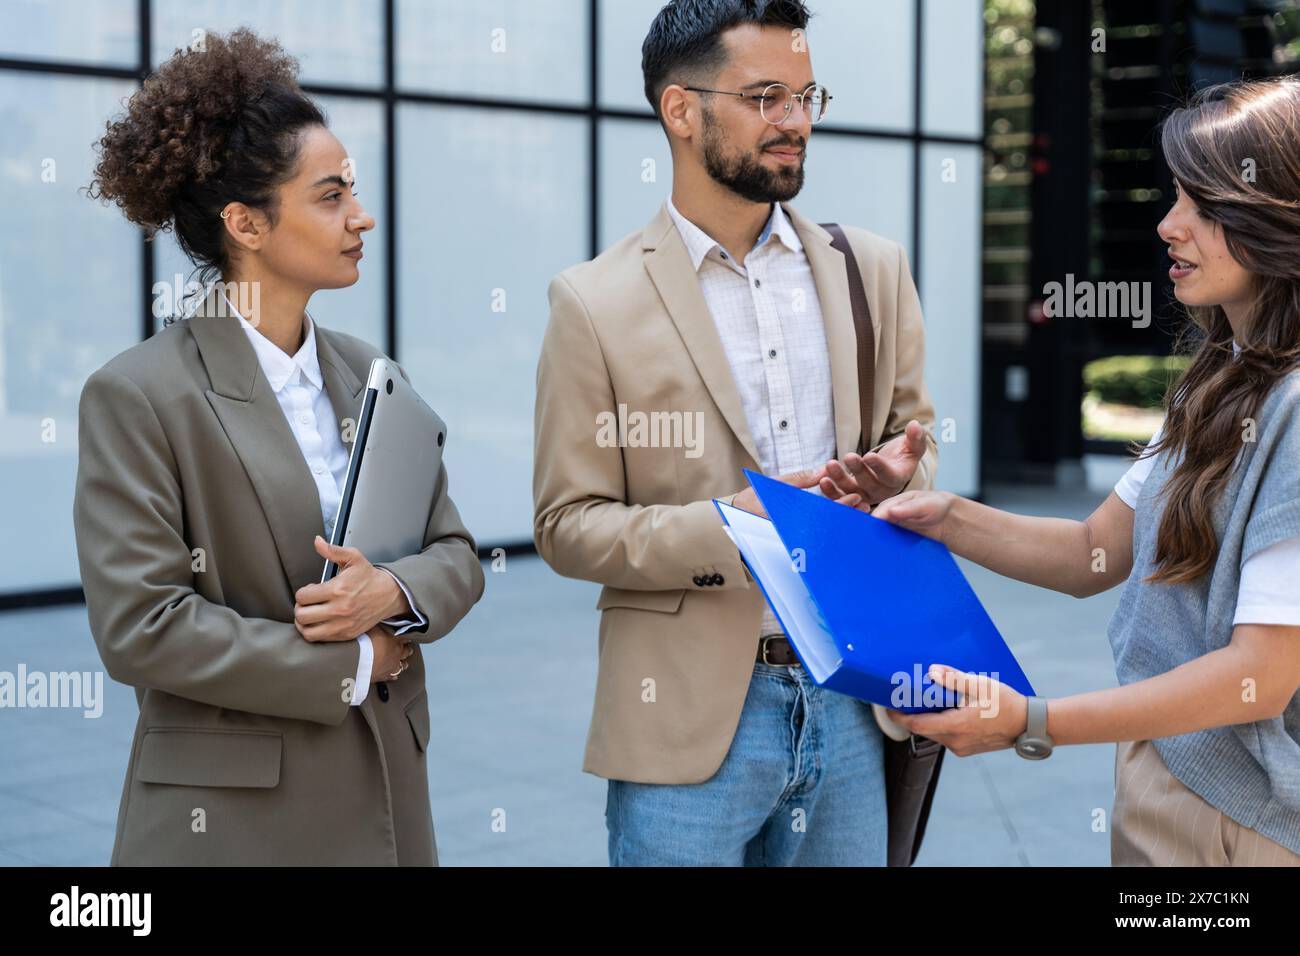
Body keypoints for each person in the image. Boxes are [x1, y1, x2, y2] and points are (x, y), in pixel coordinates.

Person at [820, 77, 1300, 866]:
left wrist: (1032, 722)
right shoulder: (1217, 377)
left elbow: (1263, 675)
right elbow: (1093, 556)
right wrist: (938, 513)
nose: (1167, 225)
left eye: (1201, 205)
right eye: (1175, 197)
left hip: (1239, 820)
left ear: (1274, 216)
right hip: (1166, 777)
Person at [532, 0, 937, 866]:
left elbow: (916, 436)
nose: (794, 123)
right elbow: (567, 525)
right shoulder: (593, 303)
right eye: (764, 98)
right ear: (682, 111)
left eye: (805, 97)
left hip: (855, 694)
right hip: (686, 714)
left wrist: (903, 475)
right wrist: (741, 522)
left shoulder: (873, 269)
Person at [76, 28, 484, 865]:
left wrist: (393, 593)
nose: (360, 216)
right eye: (330, 196)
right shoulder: (140, 395)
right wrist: (358, 663)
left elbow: (456, 553)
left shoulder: (370, 373)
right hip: (234, 819)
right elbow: (142, 626)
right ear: (245, 223)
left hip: (386, 796)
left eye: (353, 191)